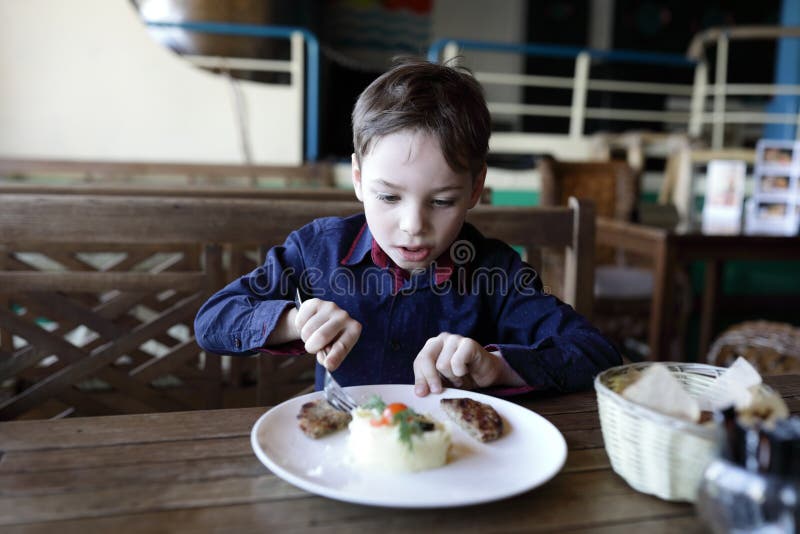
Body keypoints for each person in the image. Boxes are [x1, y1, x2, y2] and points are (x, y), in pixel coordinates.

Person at [194, 59, 621, 397]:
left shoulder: (497, 274)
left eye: (441, 201)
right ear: (359, 179)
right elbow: (212, 321)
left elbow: (597, 355)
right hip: (346, 451)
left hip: (456, 459)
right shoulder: (316, 251)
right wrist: (294, 320)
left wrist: (496, 366)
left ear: (476, 189)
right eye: (388, 197)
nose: (413, 226)